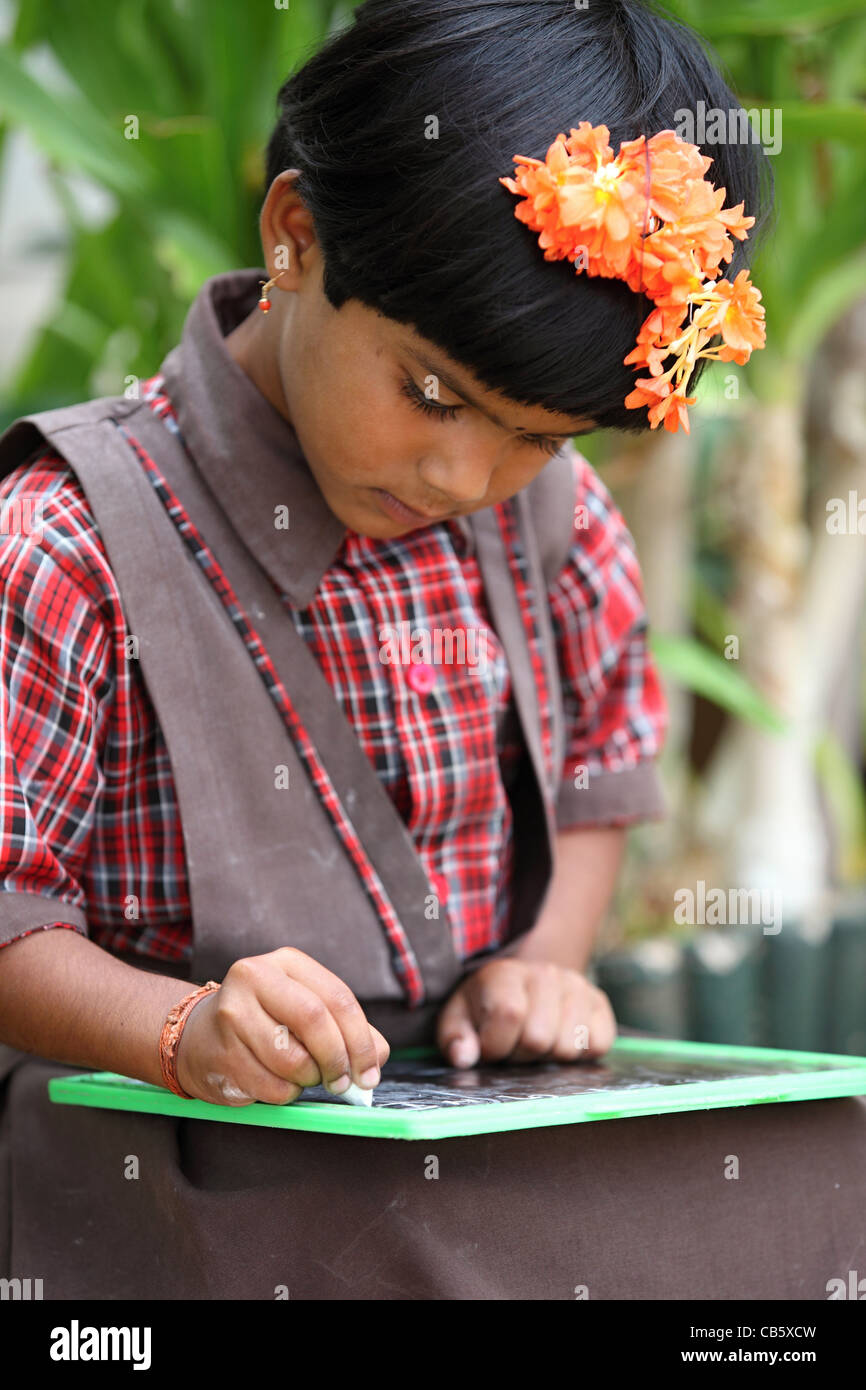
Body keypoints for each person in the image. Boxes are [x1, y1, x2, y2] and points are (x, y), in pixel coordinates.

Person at [0, 0, 797, 1301]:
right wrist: (184, 1027)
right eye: (432, 392)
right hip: (156, 1200)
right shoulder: (69, 539)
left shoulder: (557, 523)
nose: (465, 472)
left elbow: (601, 764)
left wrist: (541, 962)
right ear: (296, 235)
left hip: (459, 1171)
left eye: (536, 435)